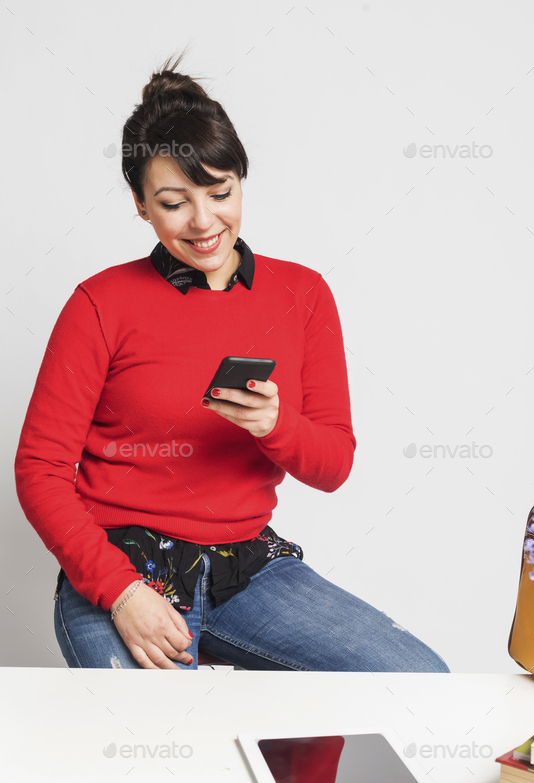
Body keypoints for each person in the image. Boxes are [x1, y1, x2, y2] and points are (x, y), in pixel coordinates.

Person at [14, 50, 450, 673]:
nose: (203, 221)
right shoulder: (99, 303)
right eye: (173, 202)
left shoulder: (302, 295)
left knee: (418, 680)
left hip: (247, 570)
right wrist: (122, 593)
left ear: (241, 181)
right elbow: (40, 470)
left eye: (220, 192)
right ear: (140, 203)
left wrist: (276, 425)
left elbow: (334, 465)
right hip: (124, 569)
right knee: (155, 726)